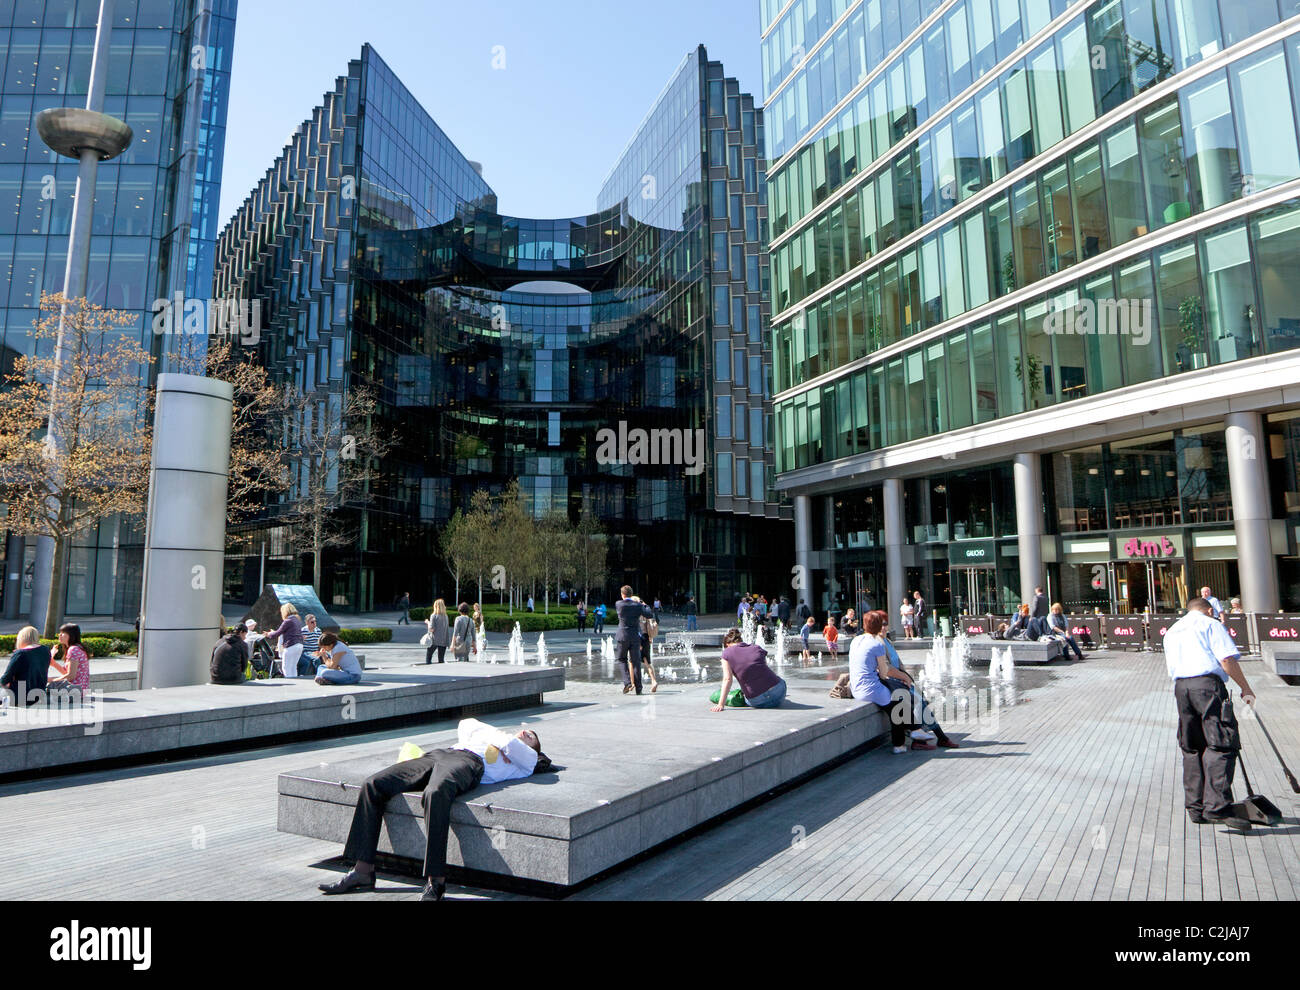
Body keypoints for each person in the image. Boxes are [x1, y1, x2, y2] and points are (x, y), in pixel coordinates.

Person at [319, 718, 549, 901]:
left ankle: (435, 881)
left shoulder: (526, 760)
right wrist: (500, 742)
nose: (525, 732)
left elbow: (512, 746)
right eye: (524, 731)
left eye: (531, 736)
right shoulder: (501, 740)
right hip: (439, 754)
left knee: (435, 793)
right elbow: (466, 723)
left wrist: (499, 741)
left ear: (534, 748)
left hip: (468, 762)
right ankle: (363, 870)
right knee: (373, 784)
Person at [1164, 597, 1256, 830]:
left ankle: (1196, 808)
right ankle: (1217, 807)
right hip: (1207, 686)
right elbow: (1226, 659)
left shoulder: (1173, 630)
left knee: (1192, 746)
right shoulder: (1210, 624)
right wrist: (1245, 687)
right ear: (1208, 610)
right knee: (1221, 742)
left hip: (1182, 688)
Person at [876, 611, 957, 748]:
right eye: (880, 625)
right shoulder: (878, 642)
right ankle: (936, 738)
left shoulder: (887, 641)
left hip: (900, 679)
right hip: (892, 681)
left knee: (921, 702)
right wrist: (903, 678)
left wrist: (906, 676)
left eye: (885, 624)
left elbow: (897, 663)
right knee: (919, 702)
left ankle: (926, 739)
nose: (883, 627)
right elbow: (886, 668)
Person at [849, 612, 926, 754]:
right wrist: (902, 677)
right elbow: (884, 673)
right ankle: (900, 744)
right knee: (898, 705)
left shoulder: (856, 640)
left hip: (856, 687)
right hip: (870, 689)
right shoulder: (876, 644)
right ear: (879, 626)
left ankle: (915, 730)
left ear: (865, 625)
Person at [710, 628, 787, 711]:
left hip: (758, 700)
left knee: (740, 696)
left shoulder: (726, 653)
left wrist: (720, 705)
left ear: (727, 644)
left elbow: (727, 679)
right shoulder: (757, 648)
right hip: (780, 693)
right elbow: (762, 670)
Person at [615, 586, 654, 695]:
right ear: (631, 594)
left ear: (622, 595)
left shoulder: (618, 604)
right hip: (635, 638)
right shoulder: (638, 605)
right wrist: (643, 603)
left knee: (622, 659)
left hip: (622, 636)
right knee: (636, 662)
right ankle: (639, 688)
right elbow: (649, 614)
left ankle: (627, 683)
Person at [2, 626, 50, 707]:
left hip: (19, 697)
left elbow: (6, 678)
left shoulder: (21, 653)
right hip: (39, 696)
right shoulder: (46, 650)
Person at [47, 623, 89, 696]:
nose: (60, 635)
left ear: (71, 635)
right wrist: (53, 663)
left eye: (63, 633)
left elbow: (70, 676)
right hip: (79, 689)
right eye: (60, 632)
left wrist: (51, 680)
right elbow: (68, 673)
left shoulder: (73, 649)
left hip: (73, 690)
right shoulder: (77, 648)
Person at [265, 603, 305, 677]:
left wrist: (269, 634)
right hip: (299, 645)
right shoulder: (298, 620)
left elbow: (278, 633)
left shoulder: (288, 621)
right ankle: (295, 682)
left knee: (286, 667)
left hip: (291, 645)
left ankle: (289, 682)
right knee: (293, 667)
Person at [425, 599, 450, 664]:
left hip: (434, 640)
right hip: (443, 640)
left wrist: (428, 622)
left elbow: (431, 629)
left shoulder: (434, 615)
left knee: (428, 658)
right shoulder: (446, 616)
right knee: (441, 660)